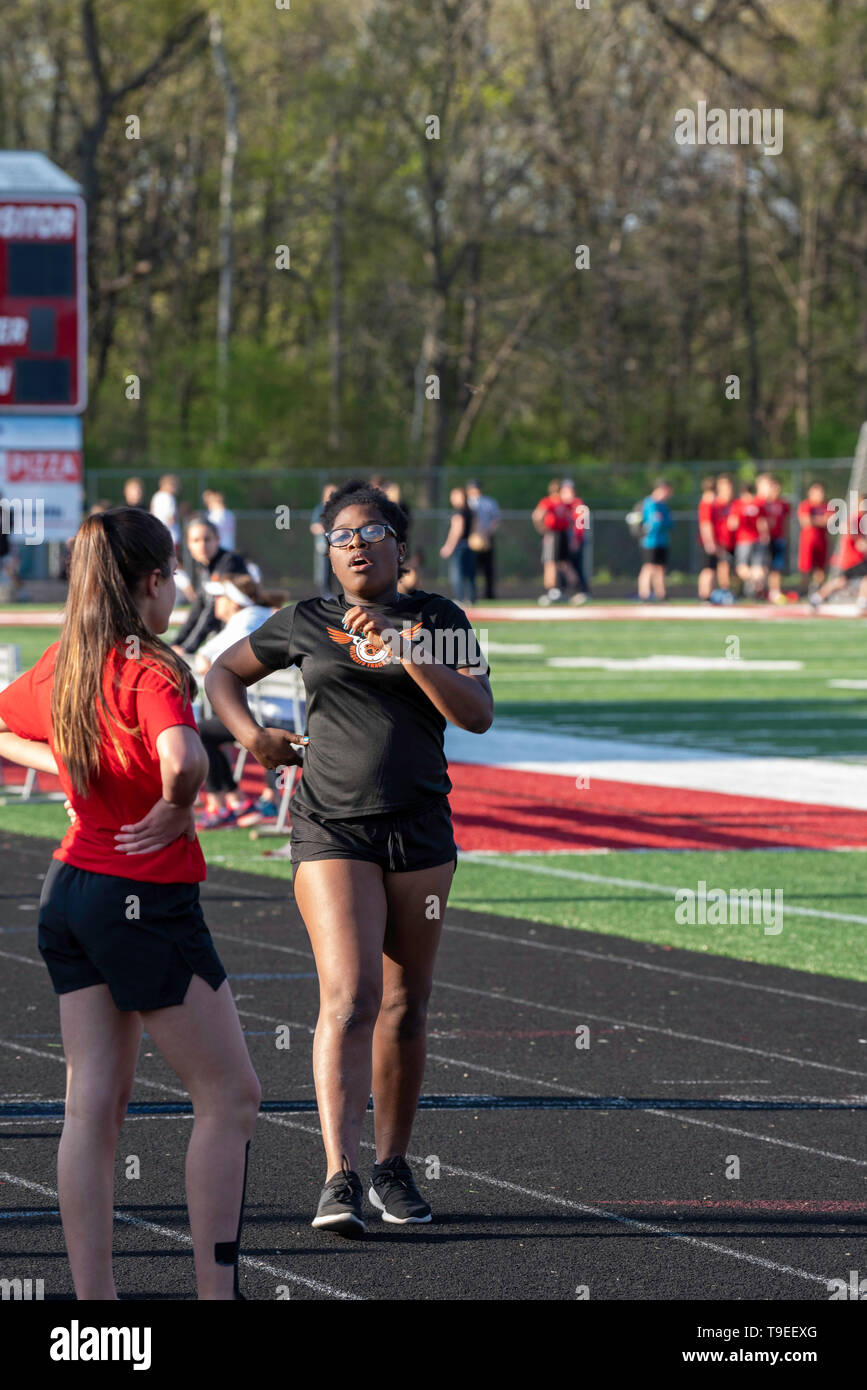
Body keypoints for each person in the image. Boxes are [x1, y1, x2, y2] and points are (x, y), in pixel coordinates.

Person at [205, 479, 493, 1237]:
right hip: (332, 827)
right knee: (350, 995)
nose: (357, 545)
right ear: (327, 552)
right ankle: (339, 1175)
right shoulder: (305, 619)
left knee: (405, 1003)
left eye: (372, 533)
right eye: (342, 536)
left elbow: (476, 713)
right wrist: (250, 737)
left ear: (401, 545)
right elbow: (221, 673)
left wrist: (408, 647)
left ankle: (392, 1170)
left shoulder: (439, 617)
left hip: (421, 831)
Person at [0, 507, 260, 1300]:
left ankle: (95, 1304)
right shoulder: (151, 666)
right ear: (152, 583)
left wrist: (74, 772)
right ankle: (218, 1296)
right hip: (139, 896)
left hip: (69, 891)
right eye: (172, 574)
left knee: (91, 1110)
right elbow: (182, 757)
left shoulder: (63, 661)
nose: (177, 587)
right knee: (230, 1096)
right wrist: (179, 803)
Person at [190, 574, 287, 829]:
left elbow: (207, 660)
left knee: (199, 732)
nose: (216, 602)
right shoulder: (262, 616)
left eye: (220, 596)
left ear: (234, 601)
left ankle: (226, 803)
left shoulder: (246, 620)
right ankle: (237, 800)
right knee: (207, 731)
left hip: (268, 718)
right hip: (281, 714)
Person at [172, 515, 248, 658]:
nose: (202, 545)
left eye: (207, 539)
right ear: (188, 544)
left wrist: (187, 648)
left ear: (218, 540)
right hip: (224, 632)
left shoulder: (228, 562)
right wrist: (175, 644)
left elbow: (213, 610)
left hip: (240, 634)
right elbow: (198, 608)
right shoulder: (203, 566)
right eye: (196, 540)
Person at [809, 494, 867, 611]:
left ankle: (817, 598)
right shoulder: (857, 518)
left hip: (855, 558)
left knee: (841, 581)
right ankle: (862, 602)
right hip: (853, 558)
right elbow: (857, 540)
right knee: (842, 581)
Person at [532, 479, 572, 604]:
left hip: (561, 534)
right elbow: (537, 515)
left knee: (559, 563)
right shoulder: (548, 502)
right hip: (553, 533)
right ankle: (552, 590)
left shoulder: (563, 503)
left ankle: (559, 589)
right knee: (551, 563)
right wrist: (543, 528)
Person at [728, 481, 770, 598]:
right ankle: (757, 586)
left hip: (743, 540)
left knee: (741, 567)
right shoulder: (758, 504)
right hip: (758, 539)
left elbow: (733, 524)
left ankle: (753, 582)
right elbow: (762, 523)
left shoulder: (738, 504)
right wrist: (765, 536)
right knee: (758, 567)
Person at [757, 473, 791, 604]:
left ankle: (774, 592)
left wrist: (784, 536)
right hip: (763, 539)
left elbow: (785, 522)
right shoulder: (762, 503)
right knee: (763, 566)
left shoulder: (783, 504)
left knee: (776, 567)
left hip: (778, 538)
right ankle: (758, 591)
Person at [440, 485, 476, 605]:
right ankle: (471, 598)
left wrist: (449, 546)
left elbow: (457, 530)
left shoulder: (459, 512)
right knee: (469, 573)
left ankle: (459, 598)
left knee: (457, 573)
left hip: (460, 545)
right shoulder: (470, 511)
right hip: (470, 544)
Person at [637, 480, 672, 602]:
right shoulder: (649, 503)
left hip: (662, 541)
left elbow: (668, 523)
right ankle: (644, 594)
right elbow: (654, 522)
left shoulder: (663, 505)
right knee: (649, 567)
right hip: (650, 541)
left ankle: (661, 593)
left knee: (661, 568)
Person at [465, 480, 500, 600]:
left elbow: (495, 520)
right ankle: (471, 593)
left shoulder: (489, 502)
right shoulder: (467, 503)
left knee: (488, 567)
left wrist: (485, 533)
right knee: (471, 566)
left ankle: (489, 594)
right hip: (470, 537)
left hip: (486, 537)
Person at [559, 479, 590, 604]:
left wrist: (576, 539)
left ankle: (581, 591)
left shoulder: (579, 504)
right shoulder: (561, 504)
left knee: (576, 566)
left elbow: (581, 525)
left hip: (574, 540)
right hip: (563, 539)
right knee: (563, 565)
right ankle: (565, 591)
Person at [797, 482, 831, 594]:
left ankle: (817, 590)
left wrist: (814, 520)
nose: (819, 495)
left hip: (822, 541)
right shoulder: (806, 505)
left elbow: (830, 522)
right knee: (805, 567)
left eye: (821, 492)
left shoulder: (827, 506)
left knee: (820, 568)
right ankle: (804, 591)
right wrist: (821, 520)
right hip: (808, 541)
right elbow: (805, 522)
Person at [310, 483, 338, 599]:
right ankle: (325, 595)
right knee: (323, 572)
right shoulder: (320, 509)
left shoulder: (340, 508)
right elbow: (314, 527)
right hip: (324, 546)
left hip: (337, 546)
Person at [710, 474, 736, 597]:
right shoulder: (714, 505)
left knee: (732, 569)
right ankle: (724, 591)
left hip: (734, 542)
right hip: (720, 542)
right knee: (722, 566)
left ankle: (729, 590)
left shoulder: (735, 504)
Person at [697, 476, 718, 601]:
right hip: (708, 541)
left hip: (710, 541)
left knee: (711, 569)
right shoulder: (707, 504)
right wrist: (709, 541)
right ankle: (705, 595)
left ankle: (708, 594)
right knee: (708, 569)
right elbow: (706, 524)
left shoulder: (709, 503)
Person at [149, 474, 182, 550]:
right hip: (171, 537)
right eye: (175, 485)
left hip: (158, 535)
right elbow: (172, 519)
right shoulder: (169, 497)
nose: (177, 488)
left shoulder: (156, 496)